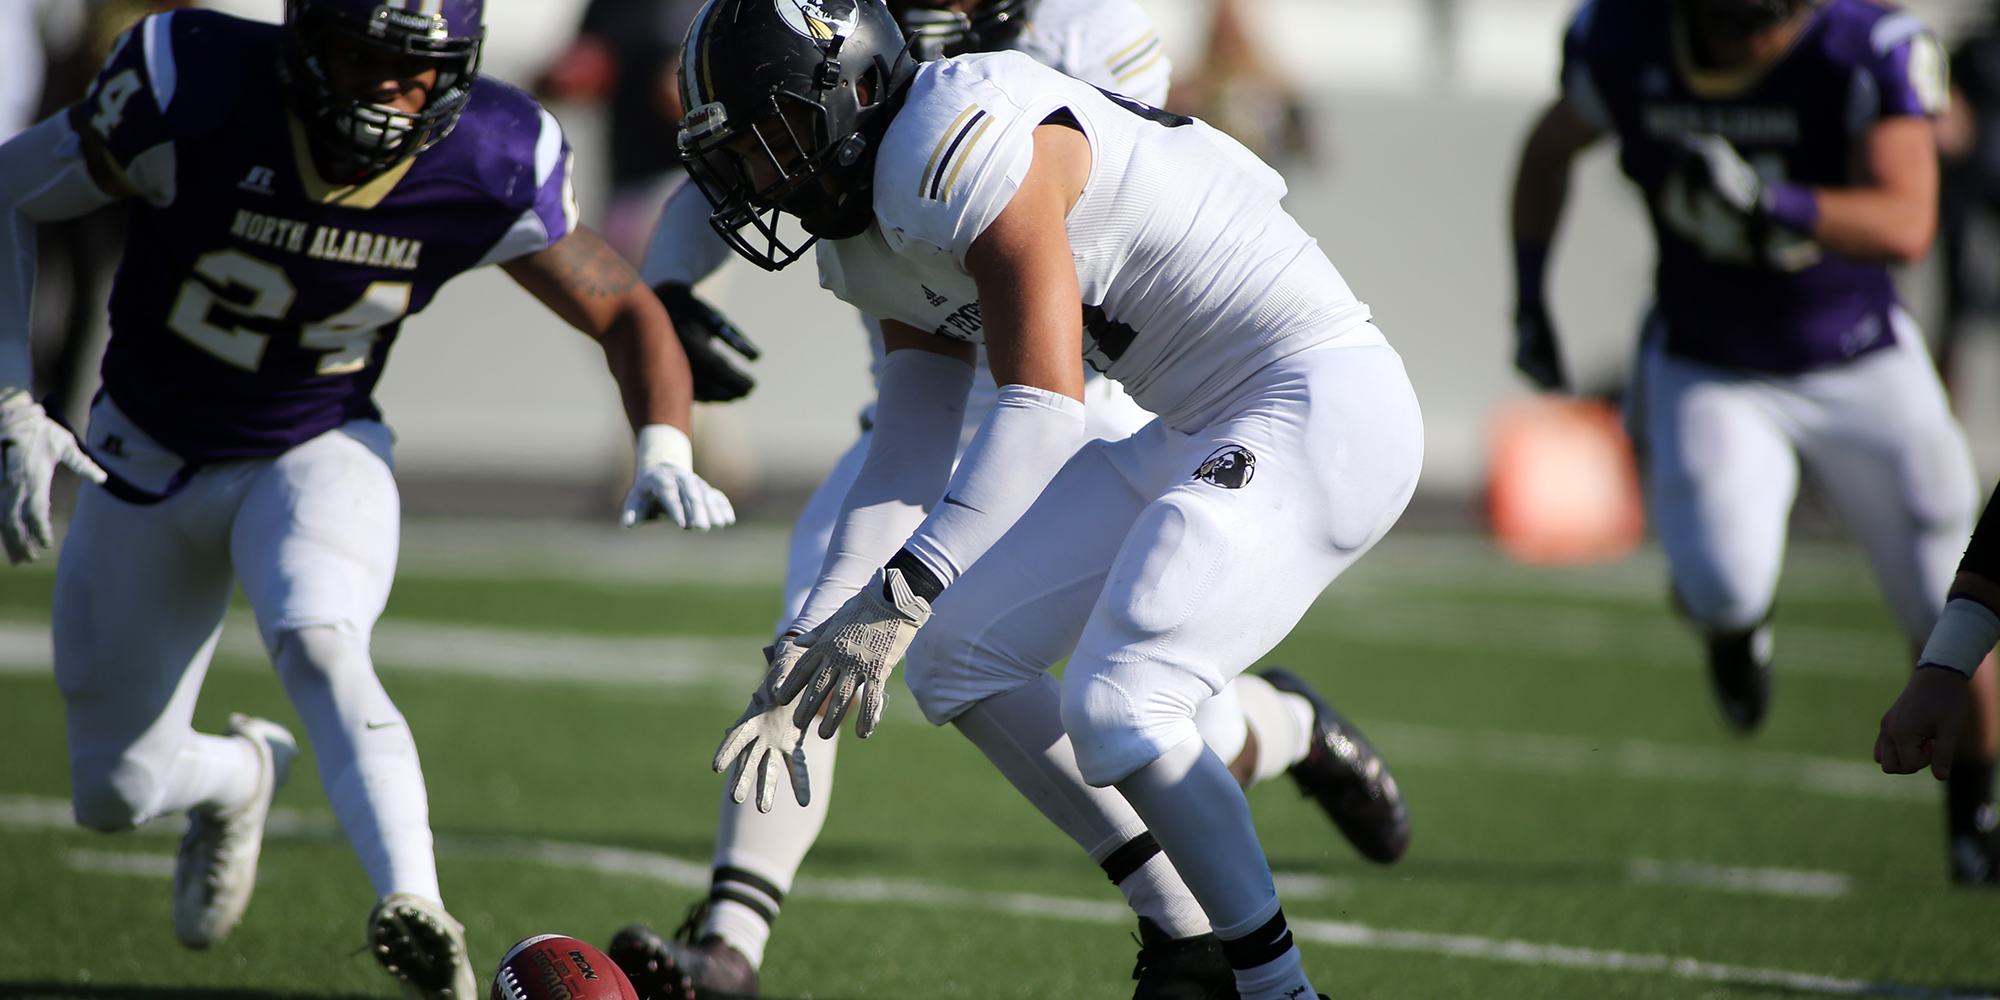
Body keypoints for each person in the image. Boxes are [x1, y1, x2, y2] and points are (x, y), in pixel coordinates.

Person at [609, 1, 1411, 997]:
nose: (754, 179)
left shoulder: (956, 132)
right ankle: (1190, 939)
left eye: (763, 142)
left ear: (849, 90)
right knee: (957, 653)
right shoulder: (866, 224)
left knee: (1122, 701)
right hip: (1192, 421)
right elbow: (907, 448)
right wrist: (809, 637)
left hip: (1311, 396)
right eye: (734, 155)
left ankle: (1275, 987)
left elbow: (1041, 410)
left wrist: (901, 592)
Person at [0, 1, 734, 996]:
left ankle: (417, 906)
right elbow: (11, 191)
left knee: (320, 636)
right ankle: (240, 775)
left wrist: (663, 445)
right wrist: (11, 394)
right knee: (112, 791)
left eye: (415, 68)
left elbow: (625, 311)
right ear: (308, 41)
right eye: (363, 56)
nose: (389, 90)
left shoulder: (491, 152)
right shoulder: (193, 80)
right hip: (142, 449)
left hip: (318, 441)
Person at [1509, 0, 2000, 881]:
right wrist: (1528, 297)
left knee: (1951, 604)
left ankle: (1975, 818)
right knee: (1725, 582)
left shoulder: (1861, 47)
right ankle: (1736, 632)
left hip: (1859, 355)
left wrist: (1773, 200)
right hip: (1714, 364)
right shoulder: (1627, 36)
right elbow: (1547, 151)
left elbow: (1908, 220)